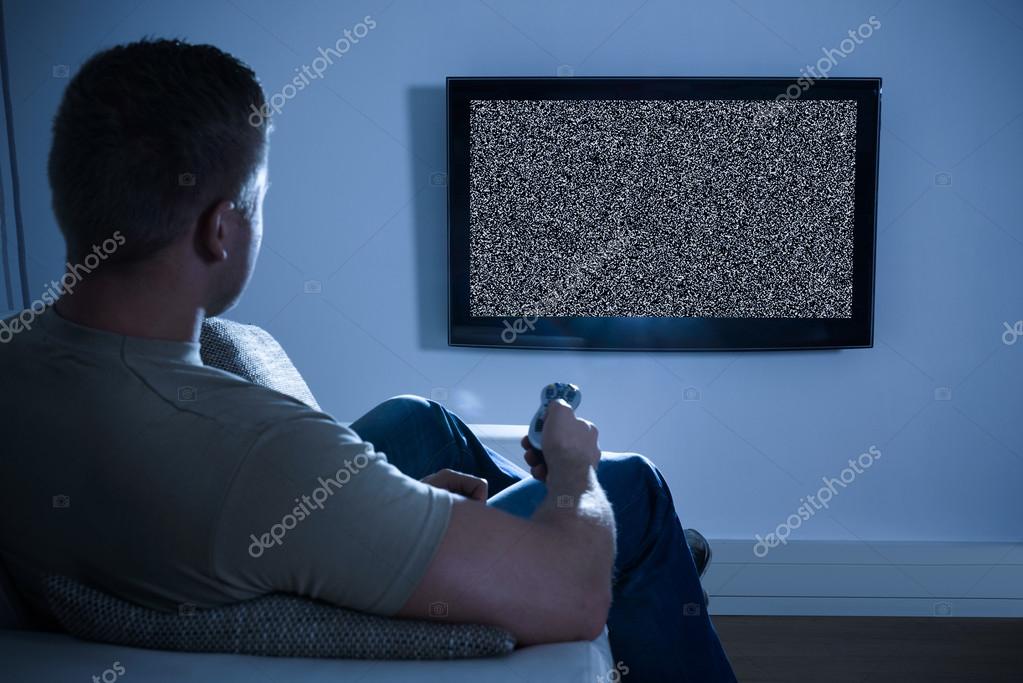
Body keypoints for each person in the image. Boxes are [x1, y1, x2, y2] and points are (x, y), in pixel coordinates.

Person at [0, 39, 735, 682]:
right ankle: (641, 557)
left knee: (418, 421)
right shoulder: (265, 446)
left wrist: (393, 500)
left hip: (201, 528)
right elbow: (568, 601)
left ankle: (619, 552)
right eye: (258, 204)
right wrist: (573, 472)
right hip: (249, 518)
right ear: (220, 230)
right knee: (631, 487)